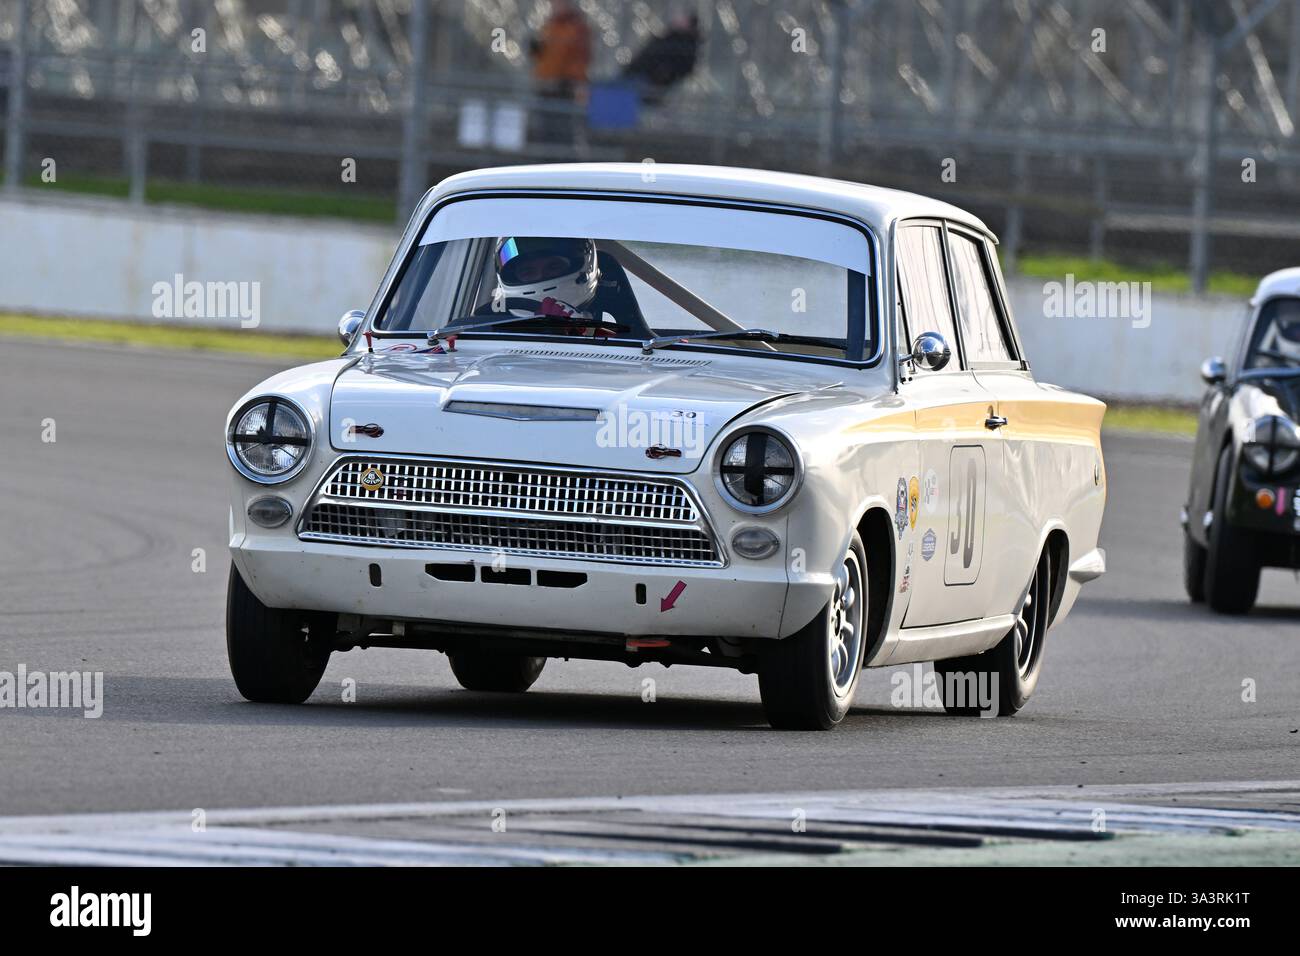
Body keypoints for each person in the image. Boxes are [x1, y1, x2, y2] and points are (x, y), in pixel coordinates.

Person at [622, 12, 700, 105]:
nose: (678, 20)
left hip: (648, 79)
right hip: (644, 77)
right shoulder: (674, 39)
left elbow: (676, 66)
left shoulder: (681, 43)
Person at [530, 0, 591, 102]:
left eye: (560, 3)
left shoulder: (577, 28)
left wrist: (578, 84)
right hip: (545, 85)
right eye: (554, 3)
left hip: (565, 87)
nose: (555, 6)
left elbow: (581, 59)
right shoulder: (548, 27)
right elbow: (540, 57)